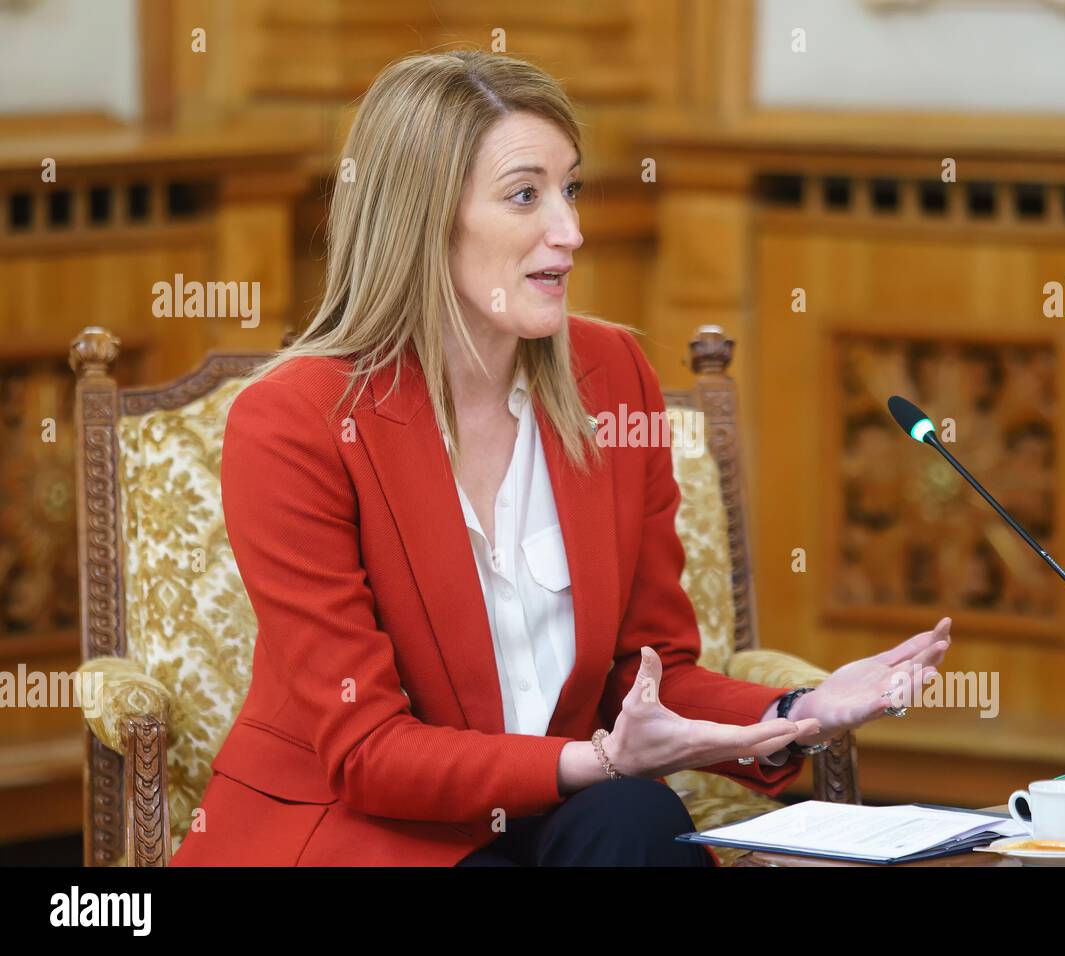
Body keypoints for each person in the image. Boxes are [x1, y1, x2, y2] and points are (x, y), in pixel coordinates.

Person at [169, 49, 953, 868]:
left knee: (639, 824)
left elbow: (649, 676)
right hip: (368, 831)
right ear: (422, 217)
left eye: (570, 188)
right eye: (524, 195)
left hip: (552, 810)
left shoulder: (611, 378)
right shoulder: (295, 420)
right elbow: (367, 751)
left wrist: (799, 708)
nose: (570, 232)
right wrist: (597, 762)